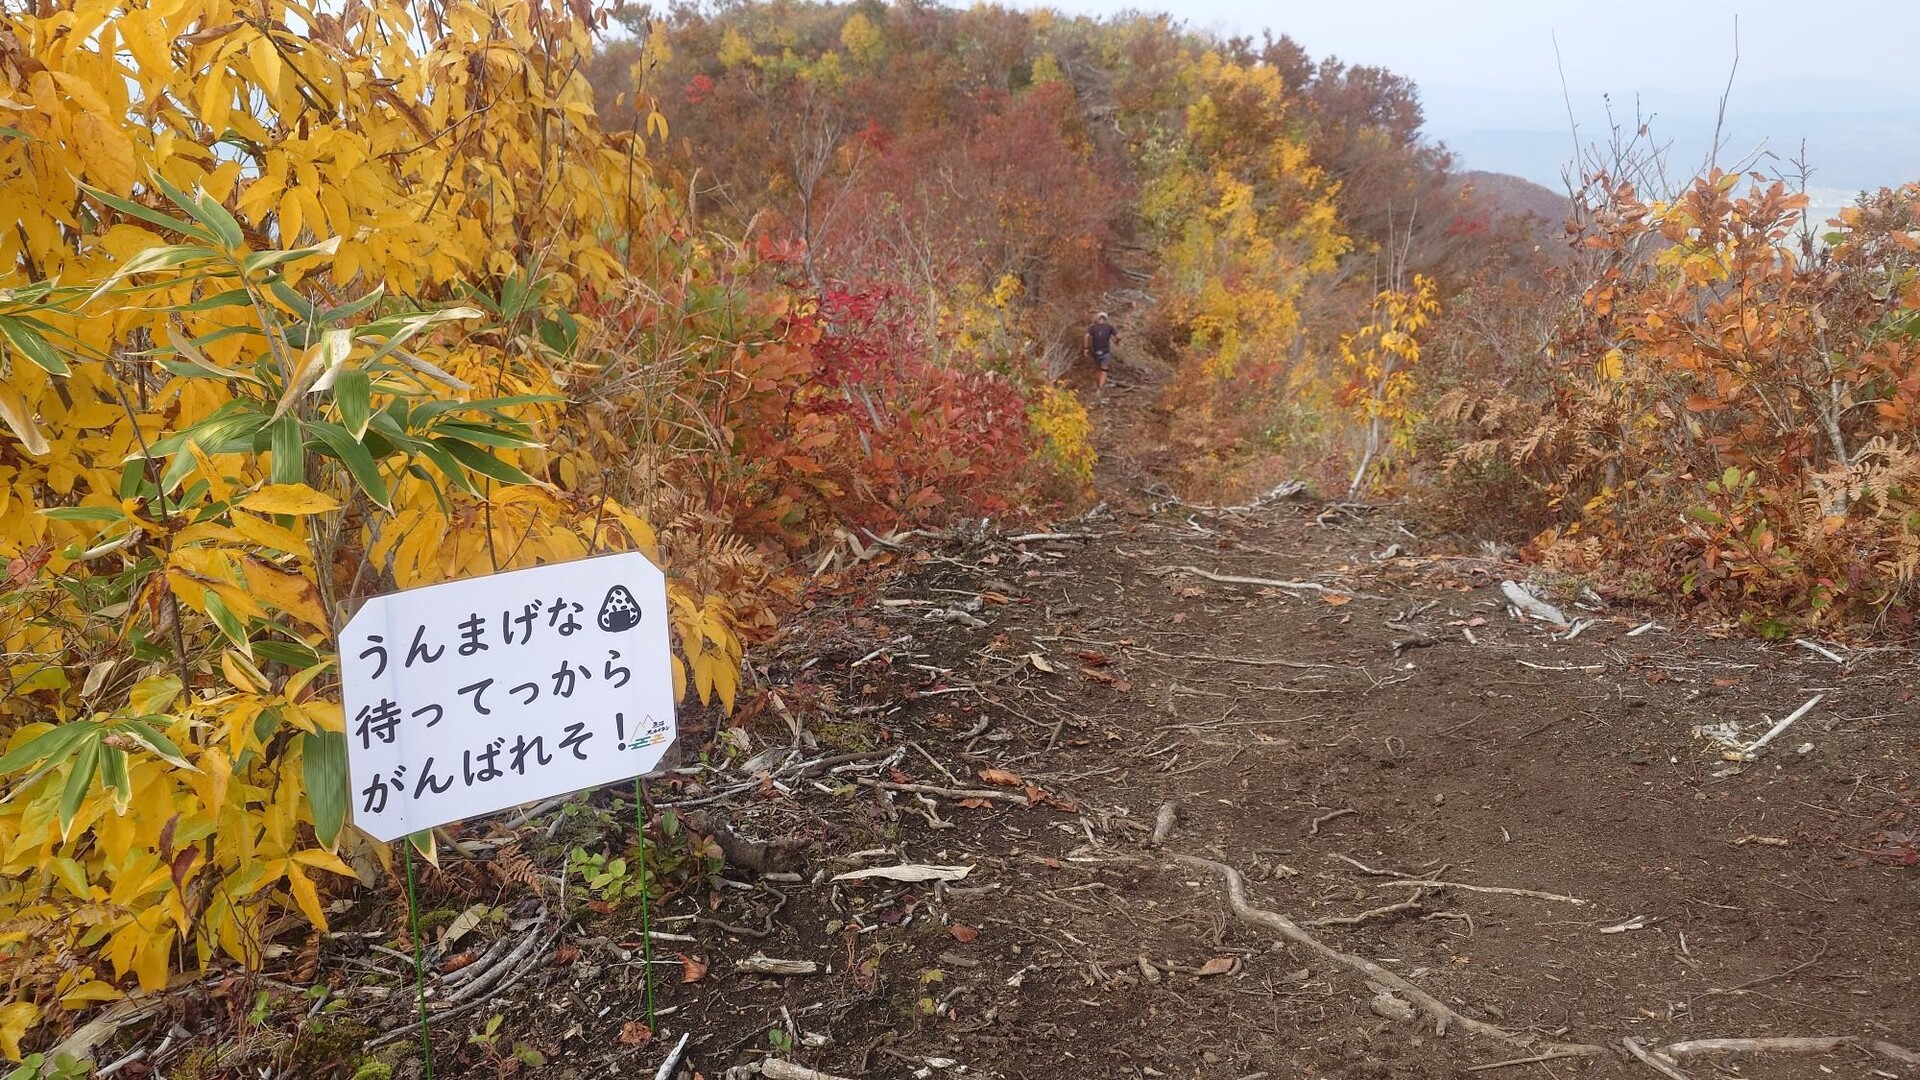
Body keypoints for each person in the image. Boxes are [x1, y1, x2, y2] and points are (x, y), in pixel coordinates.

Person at [1084, 311, 1116, 394]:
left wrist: (1086, 348)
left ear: (1097, 318)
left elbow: (1086, 337)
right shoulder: (1109, 327)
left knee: (1097, 369)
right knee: (1104, 370)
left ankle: (1098, 386)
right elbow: (1118, 336)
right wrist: (1117, 342)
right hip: (1106, 352)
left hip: (1096, 351)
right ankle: (1100, 388)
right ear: (1105, 319)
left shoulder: (1092, 327)